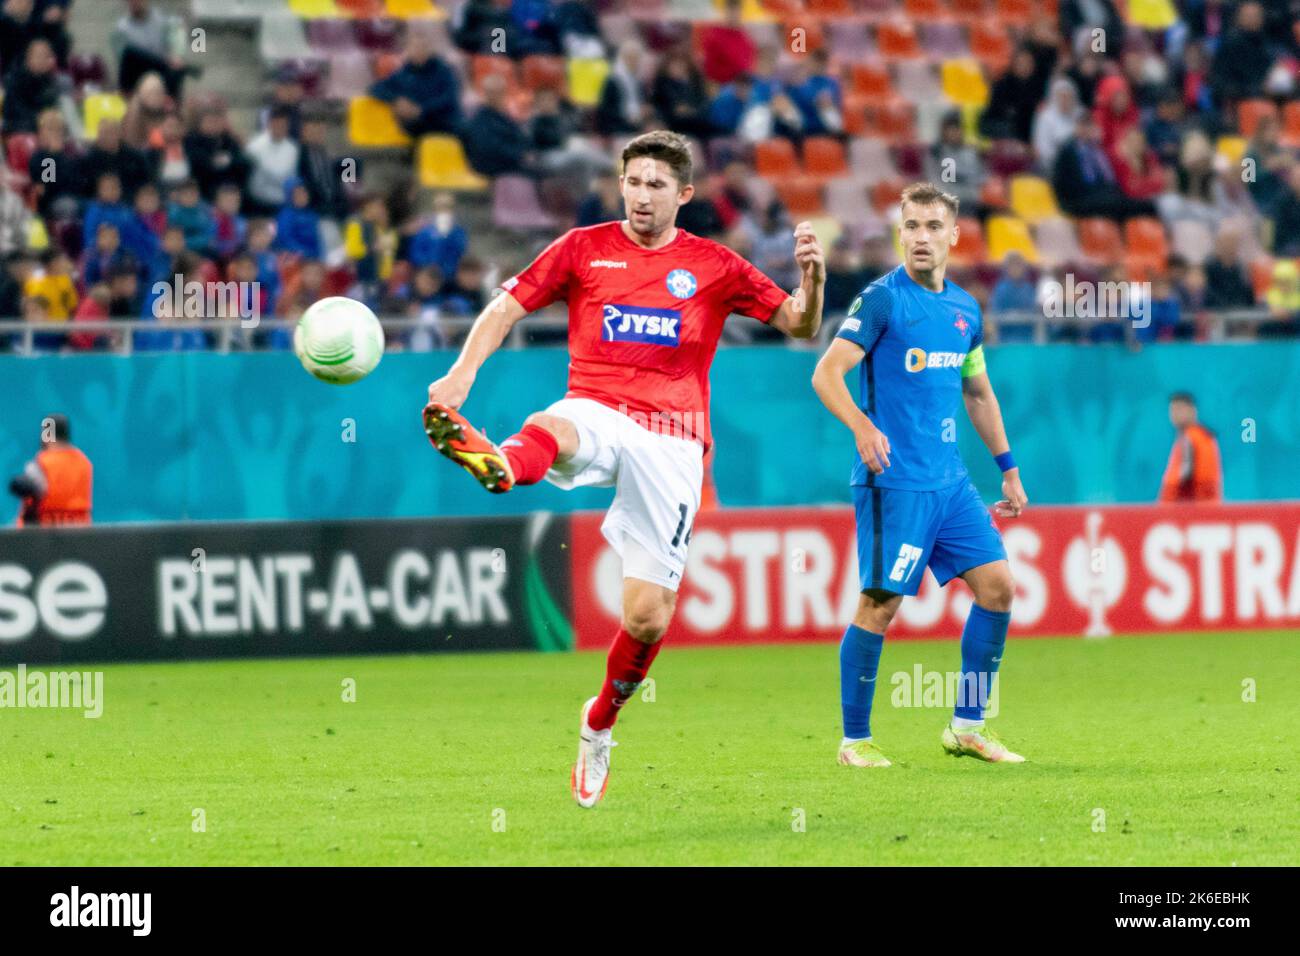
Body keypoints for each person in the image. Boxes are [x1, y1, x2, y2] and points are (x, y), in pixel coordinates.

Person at [421, 131, 825, 808]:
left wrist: (812, 281)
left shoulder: (714, 265)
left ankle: (600, 722)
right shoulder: (583, 248)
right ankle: (498, 462)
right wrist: (461, 374)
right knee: (553, 428)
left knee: (645, 616)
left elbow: (800, 326)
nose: (641, 196)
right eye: (633, 182)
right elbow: (505, 307)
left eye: (656, 186)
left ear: (684, 195)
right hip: (598, 406)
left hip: (673, 440)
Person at [811, 182, 1029, 769]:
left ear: (954, 235)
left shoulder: (964, 310)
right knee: (880, 606)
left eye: (933, 226)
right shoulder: (882, 301)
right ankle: (854, 741)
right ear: (899, 233)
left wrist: (1007, 468)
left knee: (999, 589)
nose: (921, 237)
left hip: (951, 482)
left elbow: (977, 391)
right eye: (911, 226)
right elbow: (826, 375)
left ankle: (967, 726)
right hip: (895, 481)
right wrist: (861, 425)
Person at [9, 413, 92, 527]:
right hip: (79, 531)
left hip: (44, 535)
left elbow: (30, 488)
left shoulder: (43, 463)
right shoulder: (83, 462)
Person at [1158, 392, 1222, 502]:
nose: (1175, 415)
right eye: (1172, 410)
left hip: (1186, 507)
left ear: (1192, 410)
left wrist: (1176, 502)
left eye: (1179, 409)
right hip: (1206, 507)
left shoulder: (1190, 438)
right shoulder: (1204, 436)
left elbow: (1185, 474)